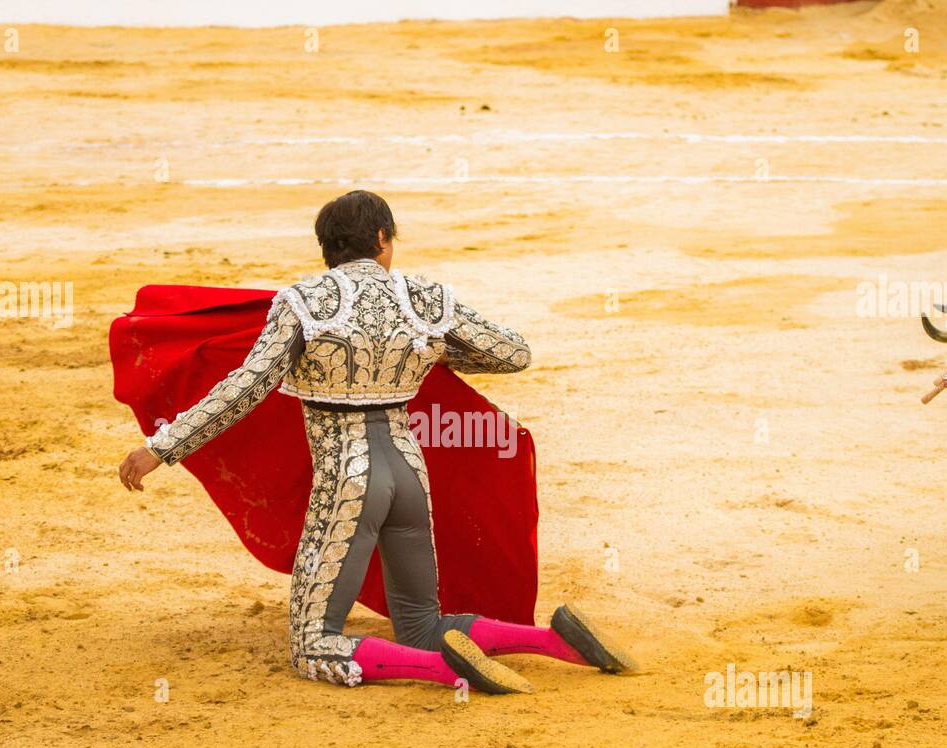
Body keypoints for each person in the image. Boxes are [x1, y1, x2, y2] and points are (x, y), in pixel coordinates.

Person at [119, 191, 635, 694]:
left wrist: (162, 447)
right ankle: (551, 640)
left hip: (348, 478)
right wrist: (436, 352)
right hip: (409, 472)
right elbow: (513, 354)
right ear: (383, 239)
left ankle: (449, 673)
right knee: (422, 624)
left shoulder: (305, 301)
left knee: (313, 645)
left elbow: (245, 388)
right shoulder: (424, 299)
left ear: (327, 247)